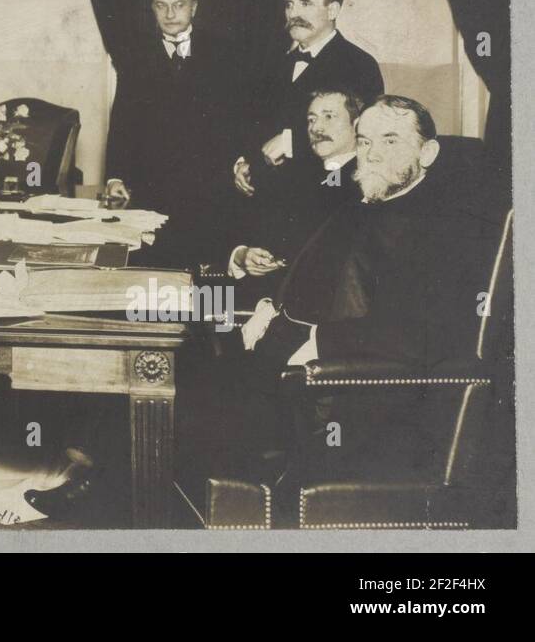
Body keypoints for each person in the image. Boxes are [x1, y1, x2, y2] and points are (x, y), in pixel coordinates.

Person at [182, 95, 507, 477]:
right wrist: (273, 308)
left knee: (191, 418)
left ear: (429, 153)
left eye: (390, 141)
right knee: (184, 380)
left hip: (355, 397)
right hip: (296, 366)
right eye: (365, 141)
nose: (370, 154)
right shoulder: (364, 205)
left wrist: (316, 341)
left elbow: (420, 333)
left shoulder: (444, 226)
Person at [103, 0, 240, 270]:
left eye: (178, 5)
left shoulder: (225, 54)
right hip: (150, 191)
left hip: (209, 193)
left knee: (206, 287)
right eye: (161, 6)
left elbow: (235, 123)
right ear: (152, 9)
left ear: (194, 7)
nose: (170, 14)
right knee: (153, 280)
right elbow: (122, 123)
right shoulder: (133, 56)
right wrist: (115, 177)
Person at [232, 0, 382, 201]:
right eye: (289, 5)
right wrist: (244, 160)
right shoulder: (273, 63)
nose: (294, 14)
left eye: (305, 3)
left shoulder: (359, 64)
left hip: (323, 197)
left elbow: (363, 133)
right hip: (264, 195)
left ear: (332, 10)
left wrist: (292, 141)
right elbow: (254, 119)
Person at [225, 88, 363, 306]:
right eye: (311, 119)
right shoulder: (294, 176)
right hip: (265, 299)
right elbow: (250, 230)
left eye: (329, 116)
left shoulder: (366, 184)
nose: (316, 128)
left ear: (357, 125)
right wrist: (243, 255)